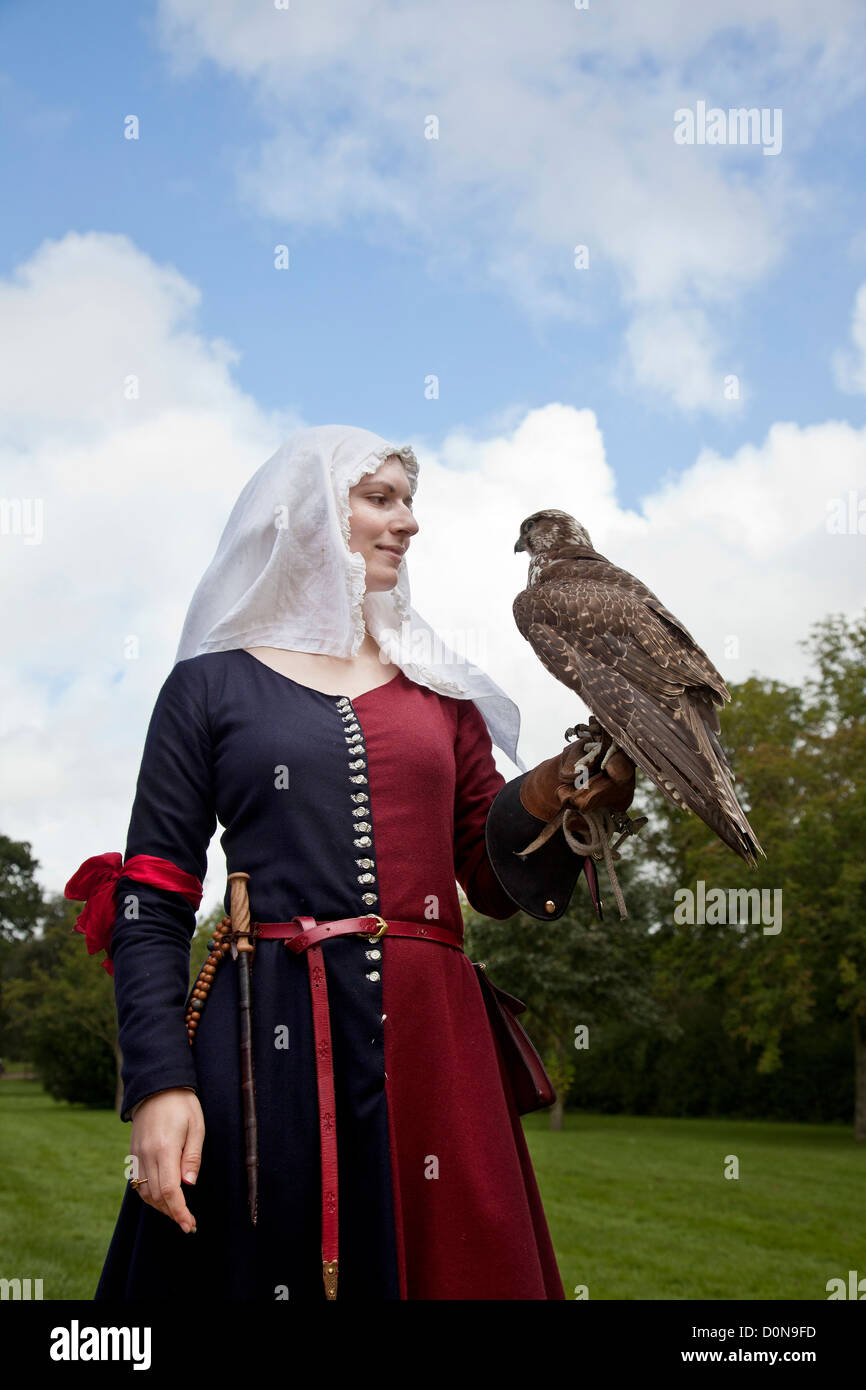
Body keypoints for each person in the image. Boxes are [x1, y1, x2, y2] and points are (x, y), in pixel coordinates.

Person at [66, 424, 636, 1301]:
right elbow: (152, 897)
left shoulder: (441, 691)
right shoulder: (210, 686)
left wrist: (565, 793)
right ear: (307, 518)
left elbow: (492, 878)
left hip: (435, 1045)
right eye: (381, 499)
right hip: (262, 1043)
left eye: (411, 503)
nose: (408, 523)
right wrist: (157, 1085)